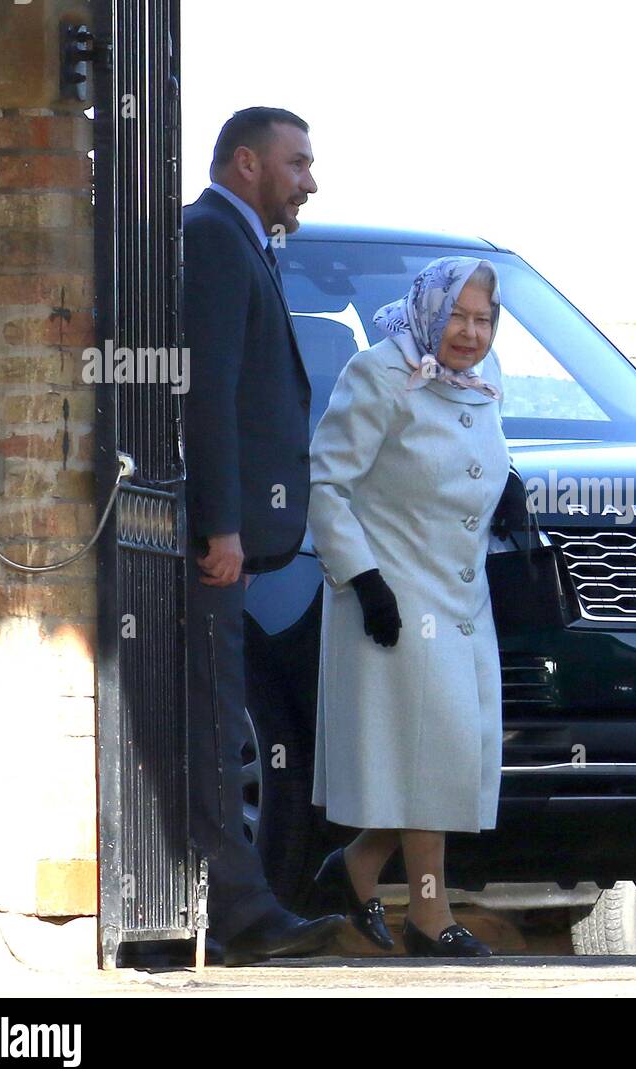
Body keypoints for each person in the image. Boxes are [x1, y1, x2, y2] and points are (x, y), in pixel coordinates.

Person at [308, 256, 529, 956]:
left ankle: (358, 866)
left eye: (483, 319)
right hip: (394, 594)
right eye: (458, 315)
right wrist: (363, 580)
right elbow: (326, 483)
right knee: (431, 756)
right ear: (430, 310)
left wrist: (509, 488)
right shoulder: (380, 372)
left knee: (450, 755)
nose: (469, 332)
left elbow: (471, 459)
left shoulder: (483, 385)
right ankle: (430, 915)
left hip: (461, 594)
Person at [182, 106, 348, 965]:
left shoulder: (239, 236)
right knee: (212, 723)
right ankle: (241, 915)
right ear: (246, 162)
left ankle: (236, 907)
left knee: (211, 720)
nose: (309, 180)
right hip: (220, 538)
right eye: (298, 162)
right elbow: (206, 389)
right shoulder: (213, 234)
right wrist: (222, 525)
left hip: (246, 534)